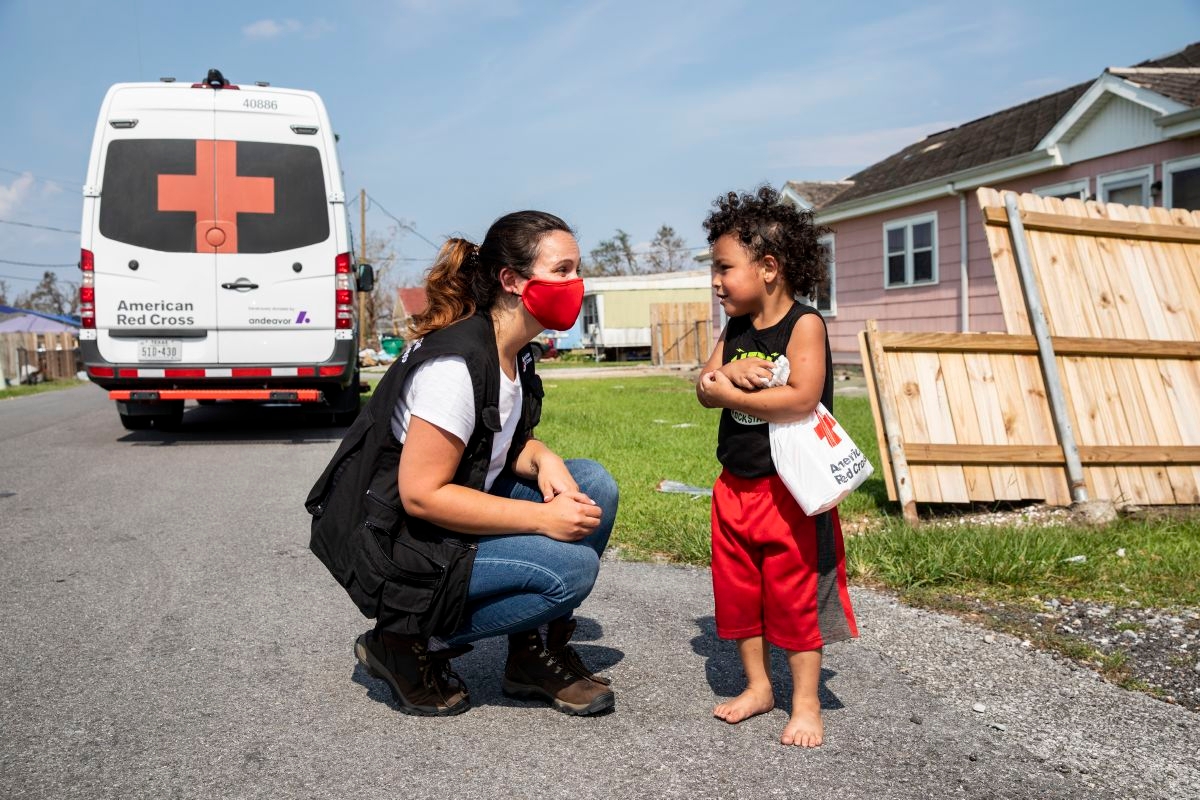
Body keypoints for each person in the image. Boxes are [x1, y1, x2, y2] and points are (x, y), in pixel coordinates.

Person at [314, 210, 617, 718]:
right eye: (562, 270)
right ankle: (402, 639)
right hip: (404, 547)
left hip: (448, 526)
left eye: (576, 270)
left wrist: (543, 456)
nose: (576, 283)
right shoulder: (455, 366)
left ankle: (530, 656)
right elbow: (421, 494)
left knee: (593, 484)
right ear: (512, 281)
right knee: (570, 570)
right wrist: (543, 518)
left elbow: (497, 445)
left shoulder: (514, 351)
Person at [695, 186, 858, 747]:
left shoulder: (804, 324)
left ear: (768, 268)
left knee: (794, 596)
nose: (716, 281)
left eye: (724, 268)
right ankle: (760, 686)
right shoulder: (736, 328)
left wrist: (728, 391)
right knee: (739, 590)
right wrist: (725, 377)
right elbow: (704, 385)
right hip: (734, 487)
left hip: (788, 491)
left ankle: (807, 702)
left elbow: (800, 399)